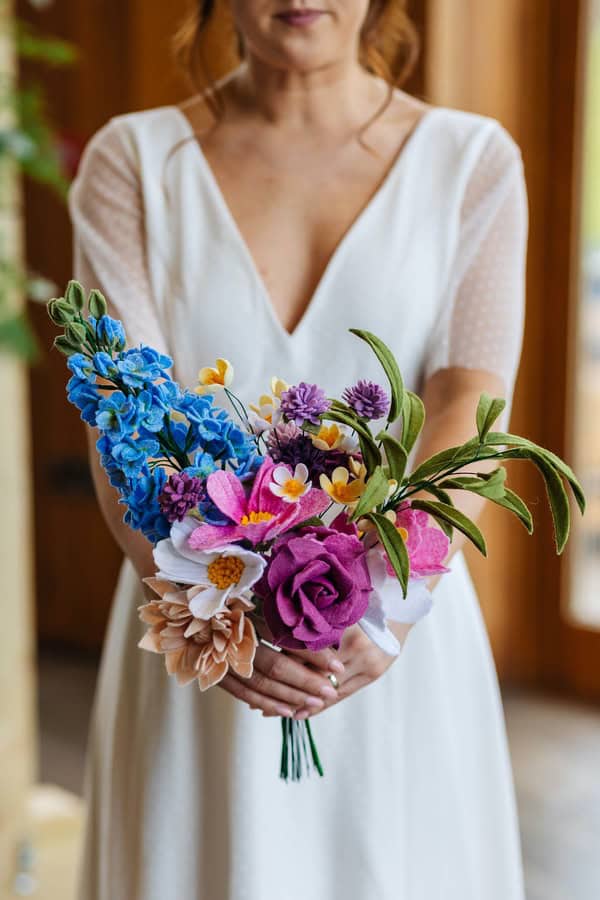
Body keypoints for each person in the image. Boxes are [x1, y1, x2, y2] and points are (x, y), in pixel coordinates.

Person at [68, 2, 528, 898]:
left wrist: (393, 600)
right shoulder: (133, 163)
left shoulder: (472, 163)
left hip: (398, 637)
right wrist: (213, 616)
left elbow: (469, 400)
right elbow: (121, 421)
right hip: (200, 628)